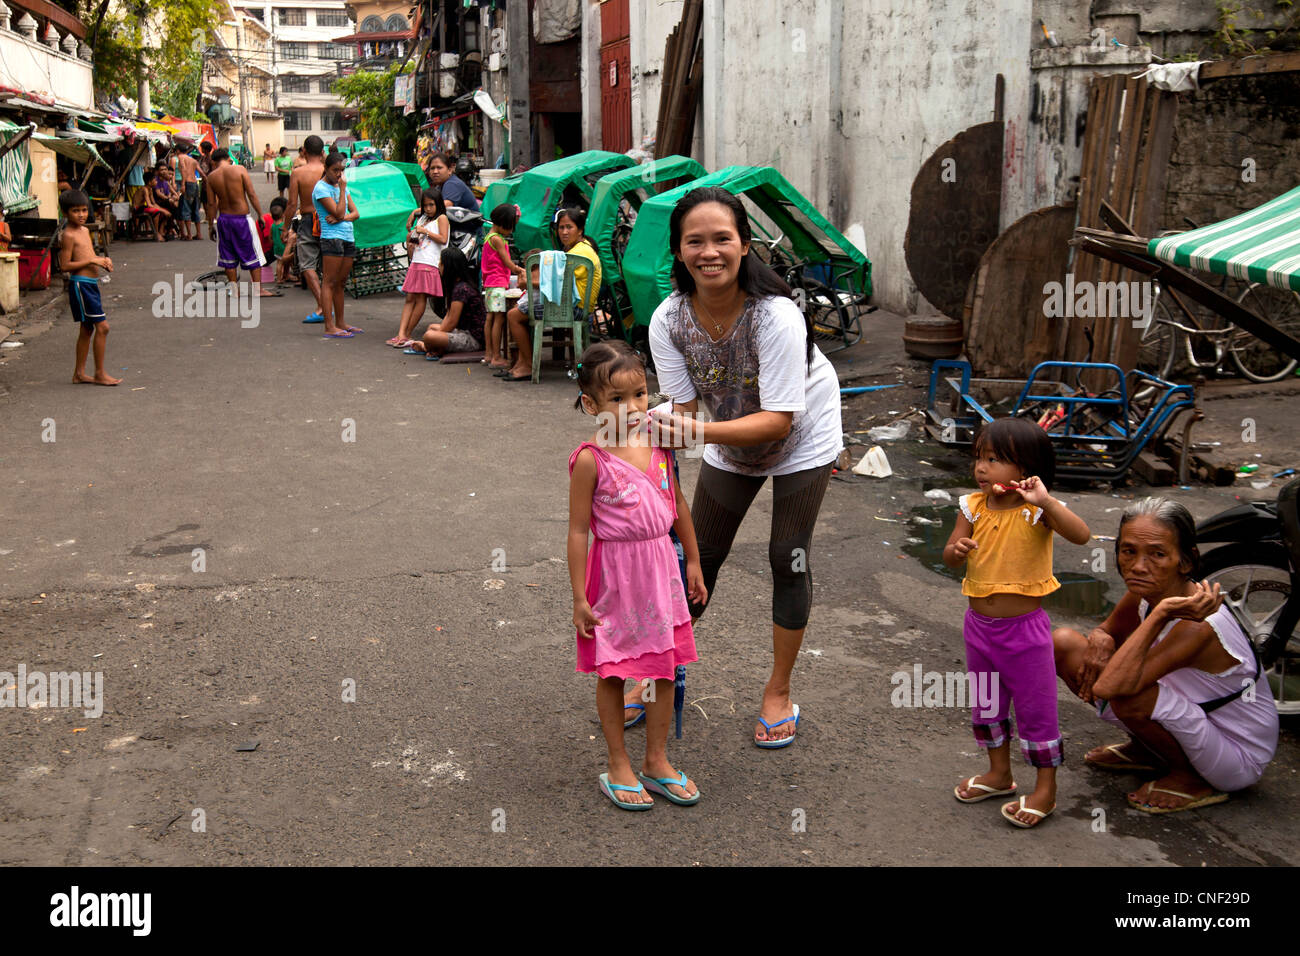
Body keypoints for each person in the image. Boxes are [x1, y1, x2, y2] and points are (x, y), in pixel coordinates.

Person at [646, 186, 843, 750]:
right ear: (679, 251)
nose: (710, 252)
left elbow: (779, 422)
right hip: (730, 431)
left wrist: (694, 431)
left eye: (722, 239)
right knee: (697, 558)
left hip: (801, 434)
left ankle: (778, 691)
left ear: (745, 245)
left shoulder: (776, 316)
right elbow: (681, 406)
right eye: (695, 241)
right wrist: (631, 422)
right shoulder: (669, 318)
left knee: (789, 555)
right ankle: (656, 670)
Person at [1055, 497, 1279, 813]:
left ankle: (1191, 778)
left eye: (1157, 554)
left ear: (1185, 562)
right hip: (1195, 718)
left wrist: (1161, 613)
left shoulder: (1198, 625)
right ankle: (1149, 750)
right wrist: (1101, 638)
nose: (1138, 566)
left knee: (1129, 694)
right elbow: (1106, 631)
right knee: (1064, 644)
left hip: (1237, 755)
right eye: (1129, 551)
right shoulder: (1145, 590)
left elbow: (1110, 689)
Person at [568, 339, 706, 809]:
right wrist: (578, 599)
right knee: (613, 671)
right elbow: (577, 531)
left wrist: (693, 560)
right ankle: (618, 764)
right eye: (617, 399)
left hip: (661, 571)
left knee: (662, 669)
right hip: (615, 579)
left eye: (641, 394)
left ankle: (656, 759)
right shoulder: (591, 460)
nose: (634, 408)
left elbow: (678, 503)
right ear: (591, 405)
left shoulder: (661, 442)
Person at [943, 418, 1092, 828]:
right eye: (979, 457)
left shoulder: (1036, 512)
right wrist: (958, 548)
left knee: (1035, 708)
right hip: (979, 627)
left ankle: (1046, 789)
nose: (982, 467)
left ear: (1027, 469)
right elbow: (950, 555)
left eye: (993, 459)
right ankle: (999, 774)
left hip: (1024, 631)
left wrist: (1047, 502)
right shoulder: (972, 506)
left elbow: (1081, 536)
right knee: (987, 702)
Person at [502, 206, 602, 382]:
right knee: (520, 311)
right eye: (561, 228)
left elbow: (558, 283)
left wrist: (528, 283)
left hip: (576, 310)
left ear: (580, 230)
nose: (564, 232)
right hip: (574, 307)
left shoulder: (580, 252)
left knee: (513, 316)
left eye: (569, 227)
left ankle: (526, 365)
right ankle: (523, 362)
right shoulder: (579, 248)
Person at [59, 190, 120, 386]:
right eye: (75, 211)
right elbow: (65, 265)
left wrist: (103, 261)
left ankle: (79, 374)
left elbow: (90, 255)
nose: (81, 215)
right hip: (81, 285)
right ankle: (100, 373)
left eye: (84, 210)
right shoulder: (68, 235)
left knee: (87, 329)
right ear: (65, 213)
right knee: (103, 327)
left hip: (91, 284)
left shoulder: (85, 231)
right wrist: (93, 260)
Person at [204, 148, 270, 295]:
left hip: (224, 220)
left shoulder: (211, 177)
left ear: (214, 162)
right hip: (242, 219)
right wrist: (260, 214)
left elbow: (211, 204)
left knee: (228, 256)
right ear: (228, 158)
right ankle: (258, 289)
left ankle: (234, 290)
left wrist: (211, 225)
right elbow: (251, 194)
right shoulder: (239, 169)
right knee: (252, 253)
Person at [390, 188, 448, 348]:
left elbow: (443, 239)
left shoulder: (441, 218)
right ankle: (401, 334)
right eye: (425, 205)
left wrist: (425, 232)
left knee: (420, 298)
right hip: (417, 260)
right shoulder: (422, 218)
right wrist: (411, 240)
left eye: (431, 205)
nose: (428, 208)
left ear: (438, 204)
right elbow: (414, 245)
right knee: (410, 298)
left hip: (429, 263)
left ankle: (407, 333)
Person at [313, 151, 361, 337]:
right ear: (326, 169)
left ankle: (341, 322)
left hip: (347, 238)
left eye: (341, 170)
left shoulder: (342, 186)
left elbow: (355, 213)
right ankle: (329, 325)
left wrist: (342, 217)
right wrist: (341, 191)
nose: (339, 174)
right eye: (335, 170)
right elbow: (340, 212)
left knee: (341, 282)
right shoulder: (321, 189)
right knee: (329, 282)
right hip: (332, 238)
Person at [283, 135, 327, 324]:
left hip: (308, 220)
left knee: (307, 264)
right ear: (322, 151)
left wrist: (285, 228)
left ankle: (323, 306)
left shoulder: (298, 173)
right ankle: (326, 307)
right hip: (330, 220)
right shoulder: (330, 171)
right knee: (328, 266)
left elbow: (292, 204)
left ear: (304, 151)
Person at [411, 246, 485, 357]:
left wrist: (438, 334)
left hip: (474, 339)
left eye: (441, 263)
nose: (439, 265)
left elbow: (451, 322)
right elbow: (448, 316)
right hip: (464, 332)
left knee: (429, 336)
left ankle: (427, 347)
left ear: (449, 267)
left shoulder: (461, 289)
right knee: (431, 328)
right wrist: (440, 331)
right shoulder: (457, 286)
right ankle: (435, 348)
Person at [481, 203, 526, 370]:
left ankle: (488, 354)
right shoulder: (497, 240)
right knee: (499, 319)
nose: (512, 231)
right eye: (511, 227)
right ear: (503, 225)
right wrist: (521, 270)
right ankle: (497, 357)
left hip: (490, 284)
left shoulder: (489, 237)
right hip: (498, 283)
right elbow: (508, 262)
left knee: (490, 319)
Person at [175, 149, 203, 241]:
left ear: (178, 151)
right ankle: (199, 234)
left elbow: (183, 169)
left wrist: (183, 184)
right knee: (195, 208)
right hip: (194, 184)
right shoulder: (193, 160)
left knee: (186, 208)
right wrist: (207, 181)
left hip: (187, 183)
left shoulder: (181, 157)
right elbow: (201, 172)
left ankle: (189, 234)